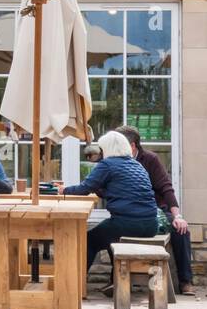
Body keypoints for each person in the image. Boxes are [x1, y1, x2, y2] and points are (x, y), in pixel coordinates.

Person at [64, 130, 159, 273]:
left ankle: (77, 283)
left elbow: (84, 188)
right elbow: (122, 191)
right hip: (151, 224)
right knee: (108, 234)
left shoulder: (108, 164)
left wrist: (63, 190)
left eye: (101, 149)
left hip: (128, 224)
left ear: (107, 148)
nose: (100, 152)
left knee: (89, 240)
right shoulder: (136, 165)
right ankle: (116, 280)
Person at [117, 125, 194, 295]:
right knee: (110, 230)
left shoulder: (150, 159)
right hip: (128, 213)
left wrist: (177, 216)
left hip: (157, 211)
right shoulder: (115, 160)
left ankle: (185, 281)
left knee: (181, 230)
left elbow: (166, 188)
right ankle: (116, 281)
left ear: (132, 146)